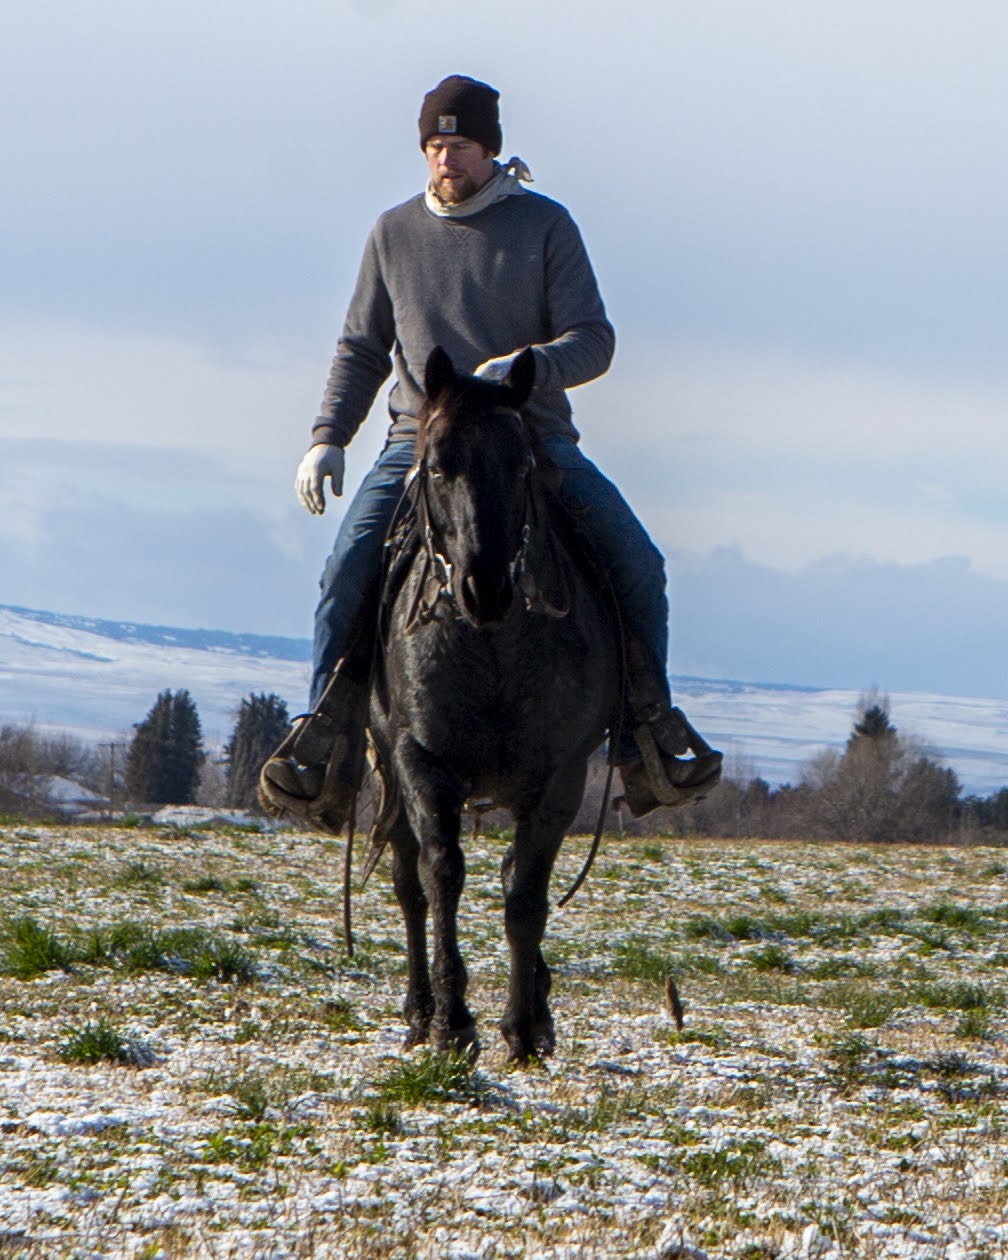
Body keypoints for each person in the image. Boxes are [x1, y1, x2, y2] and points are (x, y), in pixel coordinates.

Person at [260, 74, 722, 826]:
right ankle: (327, 741)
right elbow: (360, 348)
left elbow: (594, 338)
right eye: (436, 146)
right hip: (423, 443)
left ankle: (647, 733)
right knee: (348, 568)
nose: (448, 160)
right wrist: (327, 439)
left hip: (528, 438)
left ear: (492, 153)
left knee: (637, 561)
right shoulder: (392, 233)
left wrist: (528, 365)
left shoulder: (545, 226)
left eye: (463, 146)